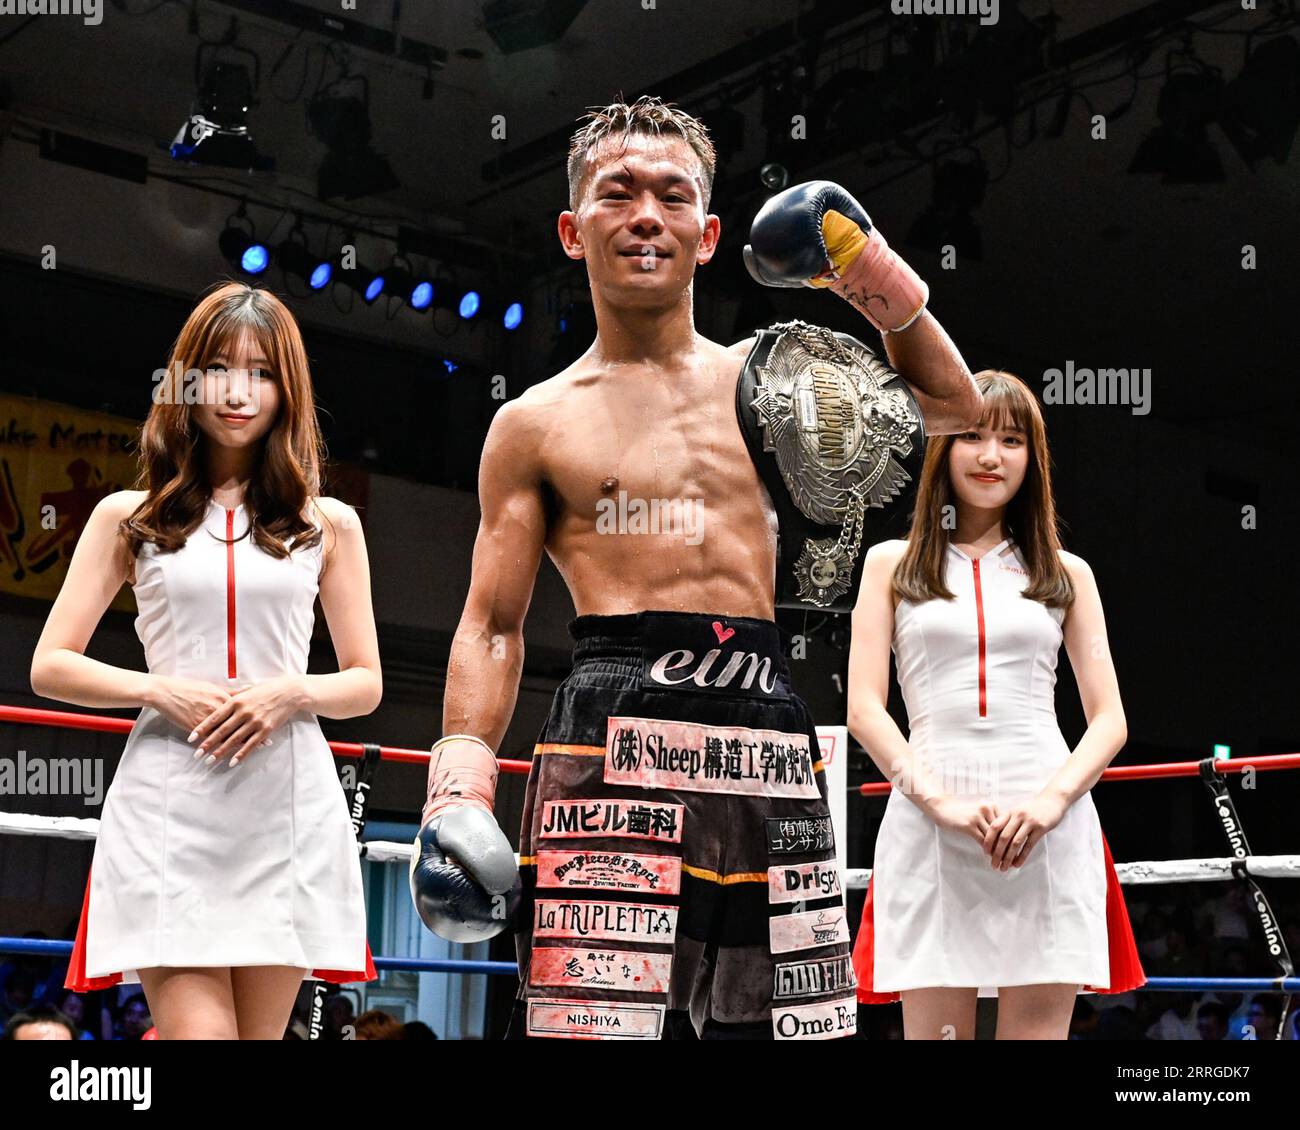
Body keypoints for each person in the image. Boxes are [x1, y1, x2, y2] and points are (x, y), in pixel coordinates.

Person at [408, 95, 984, 1040]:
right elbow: (491, 624)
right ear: (571, 228)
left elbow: (953, 405)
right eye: (618, 193)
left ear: (710, 234)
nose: (646, 215)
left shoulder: (778, 382)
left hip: (766, 719)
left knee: (786, 1029)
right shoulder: (534, 423)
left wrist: (860, 264)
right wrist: (460, 789)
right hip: (613, 712)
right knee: (592, 1027)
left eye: (673, 197)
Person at [31, 282, 381, 1039]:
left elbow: (365, 683)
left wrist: (289, 693)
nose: (237, 391)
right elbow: (51, 664)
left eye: (261, 372)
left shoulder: (330, 525)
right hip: (170, 803)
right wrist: (165, 692)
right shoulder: (128, 516)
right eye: (219, 368)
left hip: (285, 807)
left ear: (288, 390)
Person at [846, 369, 1145, 1039]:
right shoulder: (889, 564)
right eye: (973, 436)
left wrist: (1050, 804)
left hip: (1047, 820)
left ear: (1032, 459)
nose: (990, 456)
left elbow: (1110, 720)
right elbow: (865, 707)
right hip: (930, 819)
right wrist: (940, 803)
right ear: (942, 448)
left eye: (1011, 440)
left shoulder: (1068, 574)